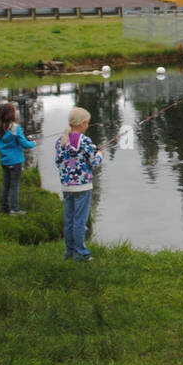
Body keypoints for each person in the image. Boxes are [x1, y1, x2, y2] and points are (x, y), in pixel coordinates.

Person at [56, 106, 102, 260]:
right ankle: (81, 253)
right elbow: (93, 163)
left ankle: (69, 252)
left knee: (69, 220)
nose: (88, 126)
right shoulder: (85, 141)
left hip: (66, 186)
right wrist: (100, 154)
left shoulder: (61, 141)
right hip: (82, 187)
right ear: (82, 124)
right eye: (87, 123)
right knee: (80, 221)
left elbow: (60, 161)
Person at [0, 102, 35, 215]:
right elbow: (24, 144)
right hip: (15, 162)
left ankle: (4, 207)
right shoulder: (16, 128)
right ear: (12, 114)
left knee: (6, 183)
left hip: (4, 161)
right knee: (14, 185)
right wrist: (33, 143)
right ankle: (15, 209)